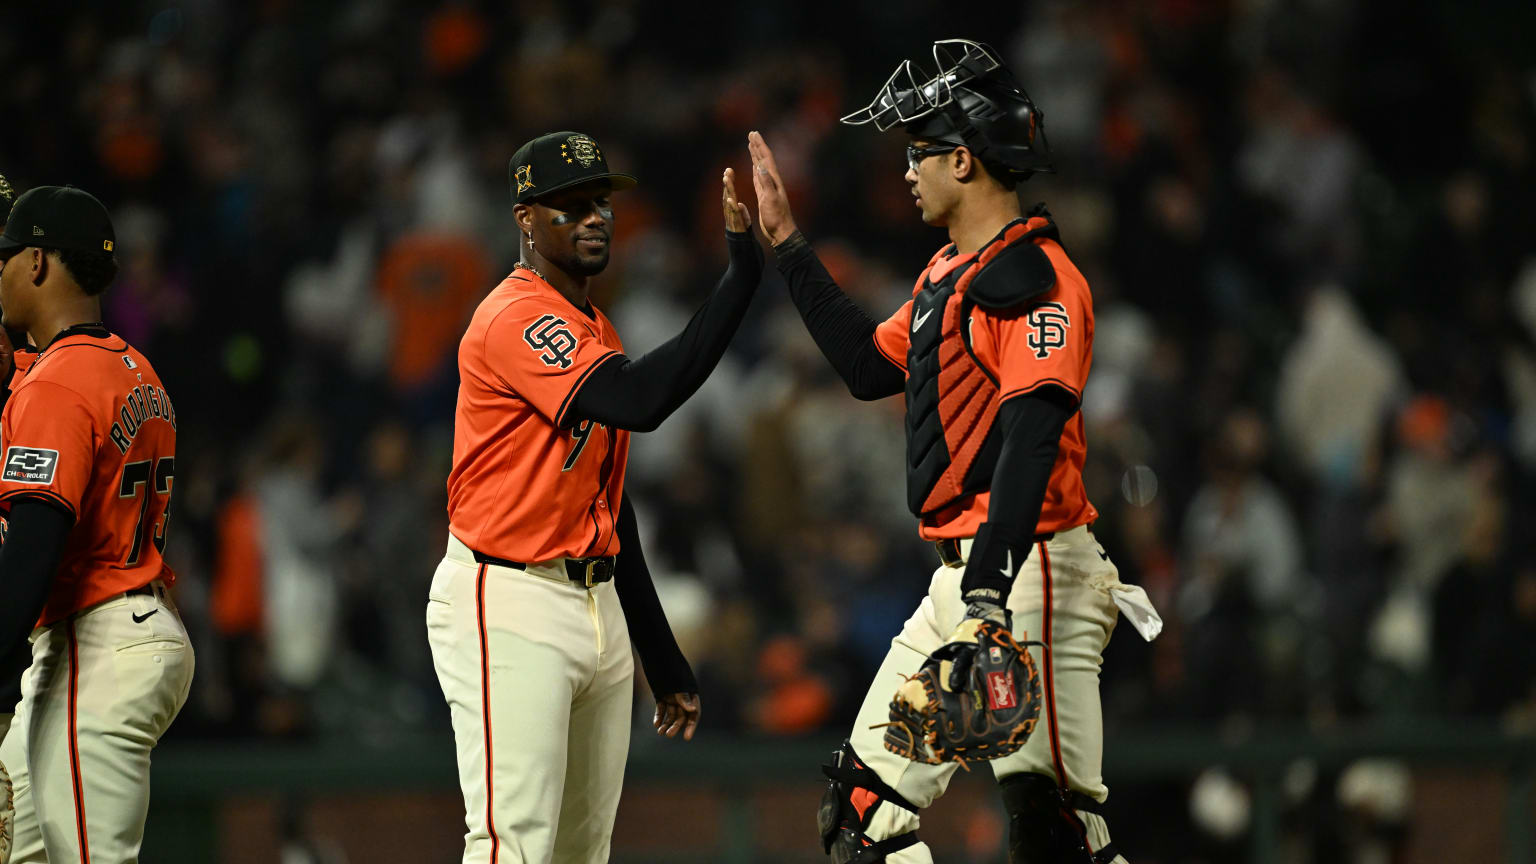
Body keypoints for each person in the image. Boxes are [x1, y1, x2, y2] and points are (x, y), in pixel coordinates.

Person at [748, 41, 1161, 863]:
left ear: (964, 162)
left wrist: (987, 596)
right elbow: (868, 368)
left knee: (1057, 836)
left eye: (919, 154)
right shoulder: (949, 273)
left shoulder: (1037, 278)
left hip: (1029, 572)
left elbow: (1031, 442)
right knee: (863, 810)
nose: (906, 172)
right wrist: (789, 246)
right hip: (968, 578)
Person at [427, 131, 762, 863]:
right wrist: (739, 279)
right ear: (525, 219)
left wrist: (659, 652)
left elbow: (608, 507)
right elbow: (642, 399)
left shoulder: (593, 330)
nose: (594, 218)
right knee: (511, 845)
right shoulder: (515, 316)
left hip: (594, 603)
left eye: (601, 202)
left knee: (583, 853)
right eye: (569, 206)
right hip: (507, 595)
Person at [0, 185, 194, 862]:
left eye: (5, 257)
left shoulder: (54, 381)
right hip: (136, 623)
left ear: (37, 263)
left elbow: (36, 534)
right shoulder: (133, 367)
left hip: (97, 638)